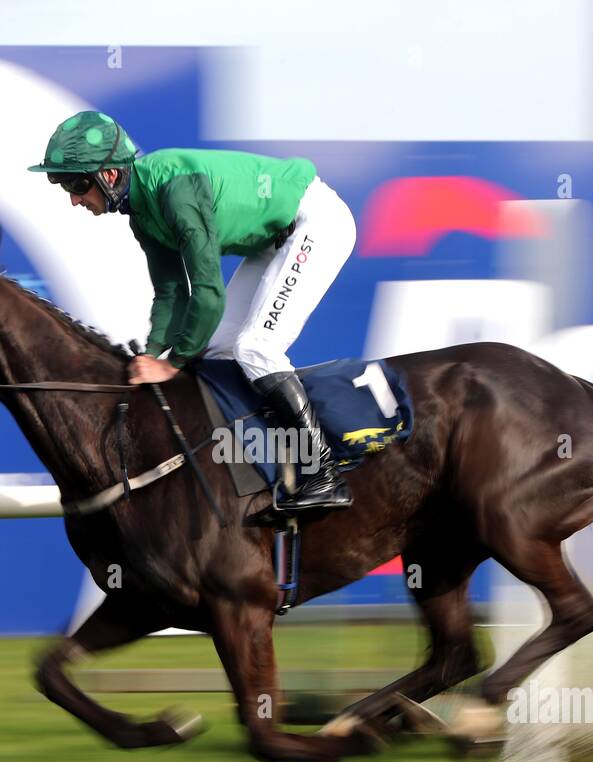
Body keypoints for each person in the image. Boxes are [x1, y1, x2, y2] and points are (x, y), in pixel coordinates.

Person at [28, 110, 357, 512]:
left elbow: (207, 293)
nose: (76, 200)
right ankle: (266, 463)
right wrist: (151, 353)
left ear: (110, 176)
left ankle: (324, 474)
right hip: (275, 238)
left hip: (315, 223)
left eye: (78, 185)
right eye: (66, 187)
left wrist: (173, 363)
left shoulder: (174, 191)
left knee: (255, 347)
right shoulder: (141, 213)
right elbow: (170, 293)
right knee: (219, 349)